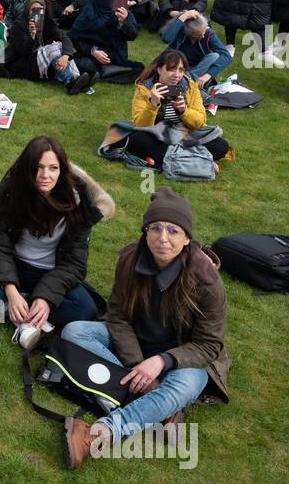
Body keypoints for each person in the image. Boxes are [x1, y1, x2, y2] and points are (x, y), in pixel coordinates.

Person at [62, 187, 231, 469]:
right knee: (74, 333)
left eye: (173, 231)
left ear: (187, 237)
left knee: (185, 384)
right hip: (137, 344)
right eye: (156, 228)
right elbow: (117, 316)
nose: (163, 238)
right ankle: (161, 407)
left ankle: (98, 433)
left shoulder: (207, 280)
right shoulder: (130, 259)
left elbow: (209, 345)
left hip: (186, 358)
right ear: (146, 232)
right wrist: (139, 365)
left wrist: (162, 361)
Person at [0, 136, 112, 349]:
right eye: (39, 167)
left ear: (62, 170)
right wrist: (10, 289)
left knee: (85, 308)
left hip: (47, 274)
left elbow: (74, 263)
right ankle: (23, 317)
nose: (45, 175)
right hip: (9, 264)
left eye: (53, 168)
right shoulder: (10, 190)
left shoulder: (79, 203)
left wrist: (45, 298)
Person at [68, 0, 143, 83]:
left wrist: (123, 22)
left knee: (139, 69)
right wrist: (93, 51)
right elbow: (73, 37)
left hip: (116, 56)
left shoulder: (120, 7)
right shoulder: (89, 11)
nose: (109, 1)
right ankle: (98, 72)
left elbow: (133, 36)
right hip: (94, 56)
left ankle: (98, 75)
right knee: (86, 64)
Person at [159, 11, 232, 88]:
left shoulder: (208, 34)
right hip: (179, 67)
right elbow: (166, 38)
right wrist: (183, 17)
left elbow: (227, 56)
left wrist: (208, 75)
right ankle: (186, 81)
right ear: (190, 34)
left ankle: (185, 80)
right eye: (199, 34)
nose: (203, 35)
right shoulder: (182, 32)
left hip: (200, 70)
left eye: (204, 30)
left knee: (214, 56)